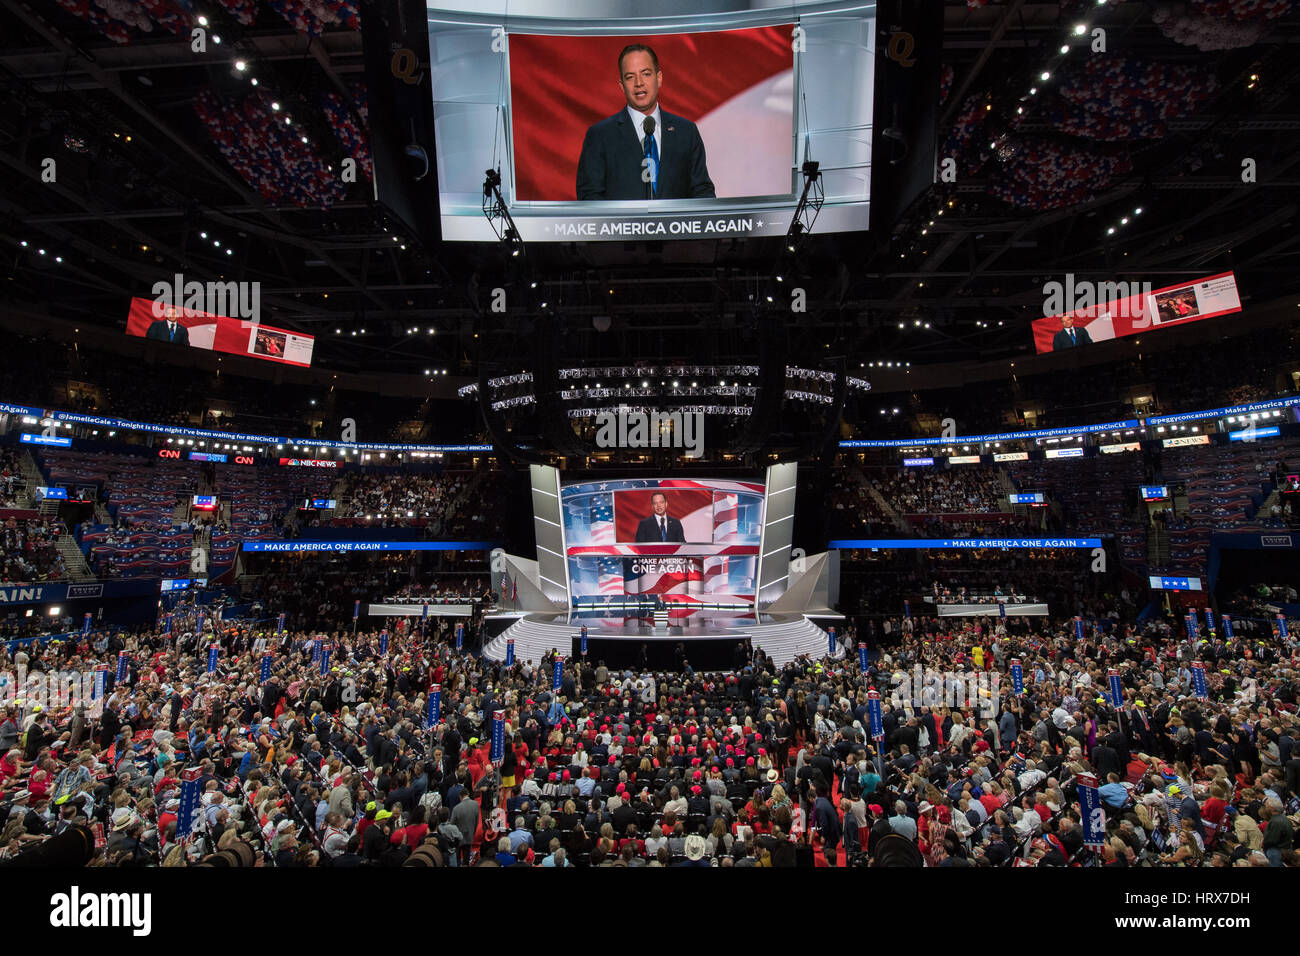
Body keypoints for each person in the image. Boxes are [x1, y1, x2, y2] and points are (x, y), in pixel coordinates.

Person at [576, 44, 715, 201]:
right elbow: (590, 197)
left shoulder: (686, 132)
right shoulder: (600, 136)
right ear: (622, 86)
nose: (639, 83)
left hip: (674, 226)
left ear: (659, 78)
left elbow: (702, 191)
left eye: (646, 74)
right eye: (630, 77)